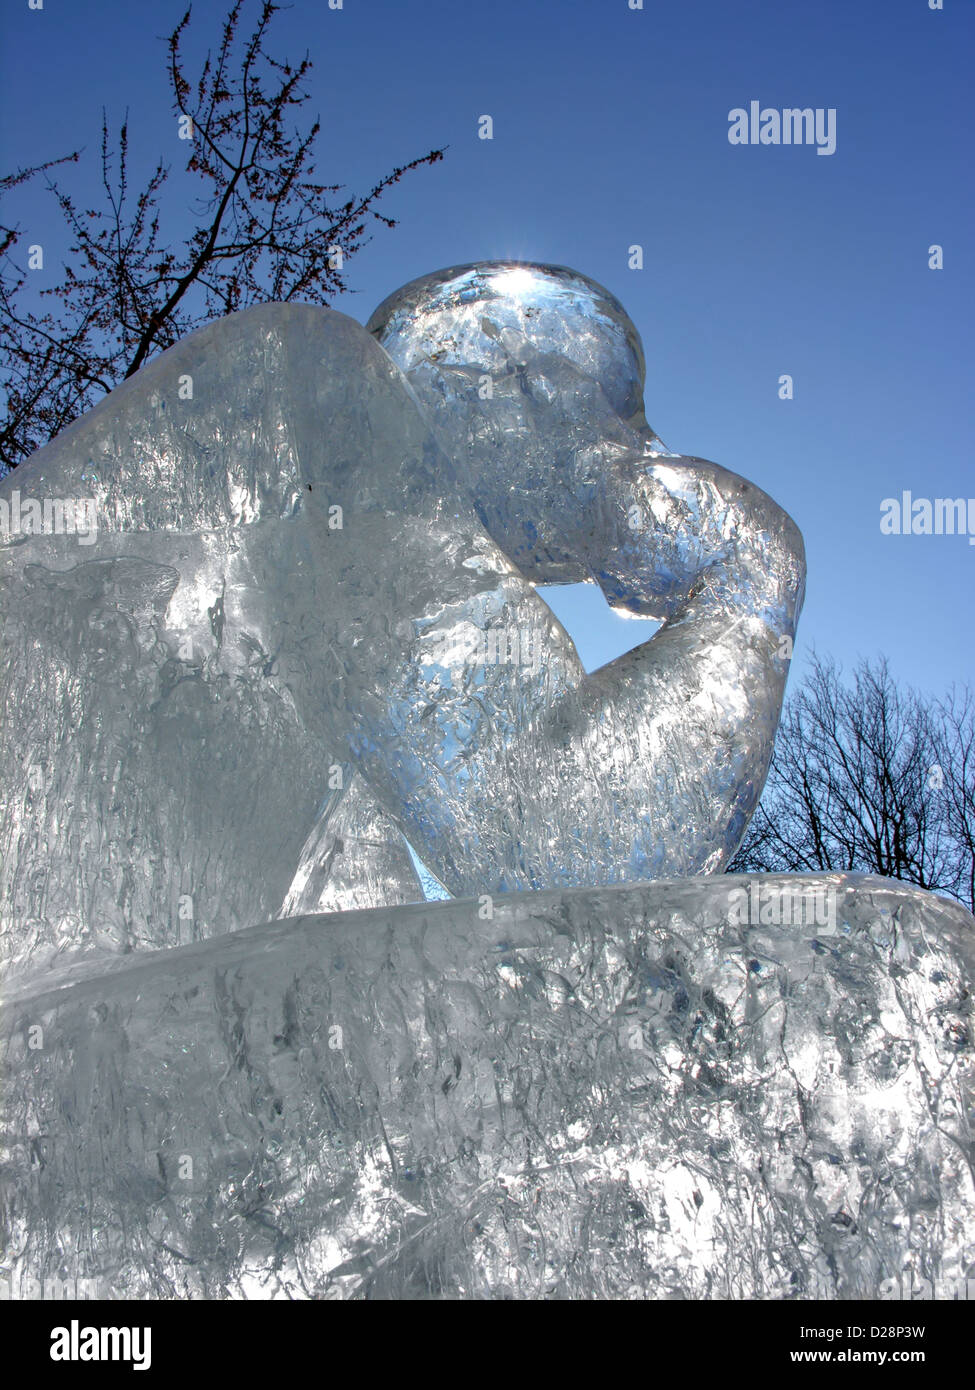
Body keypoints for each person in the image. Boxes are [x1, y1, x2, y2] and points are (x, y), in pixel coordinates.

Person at [0, 262, 804, 975]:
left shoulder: (325, 662)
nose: (643, 453)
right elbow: (564, 858)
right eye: (615, 420)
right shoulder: (312, 395)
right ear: (525, 388)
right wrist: (747, 587)